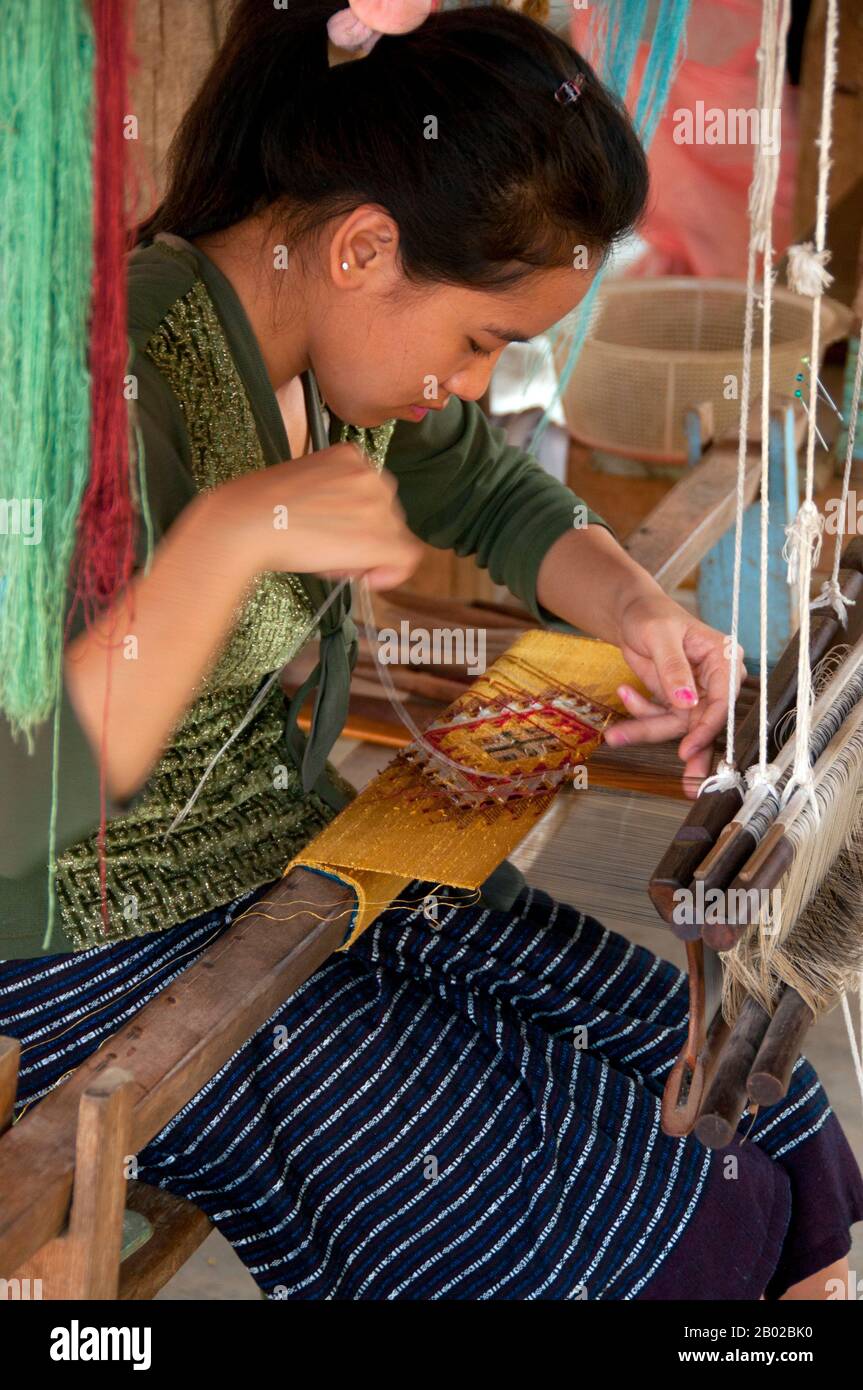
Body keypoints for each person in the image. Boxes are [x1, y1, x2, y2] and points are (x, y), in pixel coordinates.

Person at [1, 0, 860, 1300]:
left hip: (287, 878)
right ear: (360, 249)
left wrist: (637, 608)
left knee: (760, 1096)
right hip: (94, 946)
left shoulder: (338, 369)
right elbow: (22, 799)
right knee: (677, 1229)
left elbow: (499, 500)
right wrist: (227, 540)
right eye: (481, 341)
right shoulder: (118, 382)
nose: (470, 383)